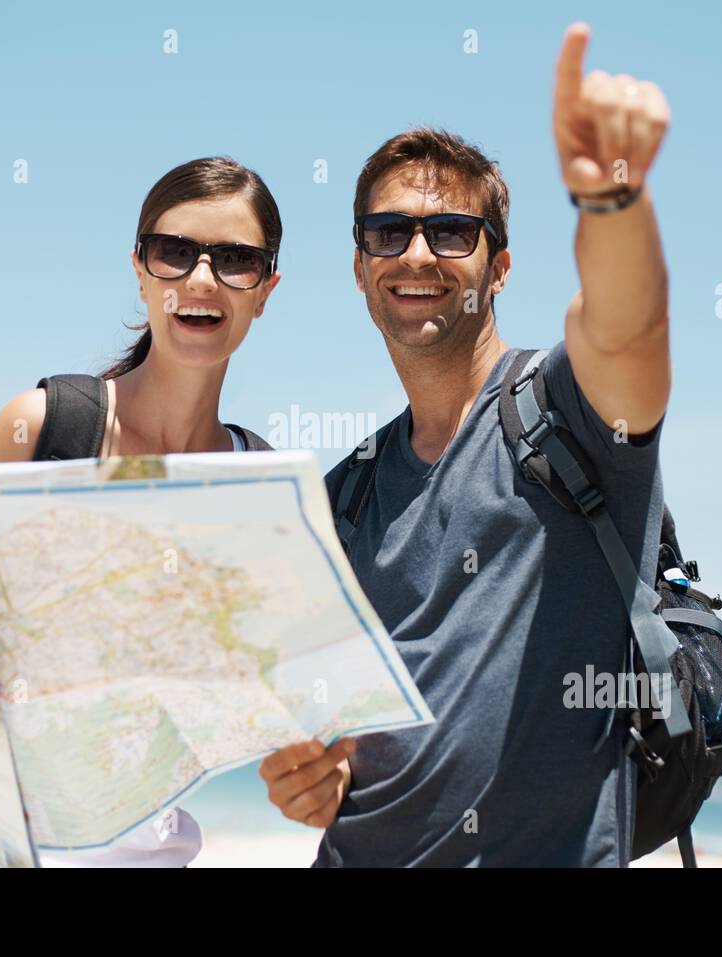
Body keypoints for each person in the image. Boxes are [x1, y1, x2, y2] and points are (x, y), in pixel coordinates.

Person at [259, 23, 676, 866]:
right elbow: (331, 735)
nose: (418, 254)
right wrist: (307, 774)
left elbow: (627, 327)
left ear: (502, 266)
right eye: (388, 233)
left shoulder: (570, 410)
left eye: (452, 232)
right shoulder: (345, 491)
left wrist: (612, 201)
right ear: (358, 267)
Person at [0, 155, 305, 867]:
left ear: (266, 288)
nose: (202, 279)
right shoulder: (43, 428)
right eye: (175, 251)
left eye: (236, 259)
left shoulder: (257, 482)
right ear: (140, 267)